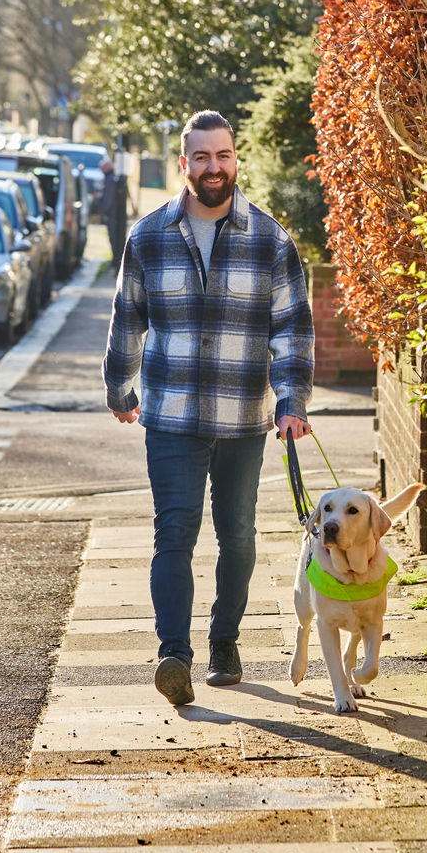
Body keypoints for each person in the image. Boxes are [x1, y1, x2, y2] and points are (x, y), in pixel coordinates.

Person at [103, 110, 314, 707]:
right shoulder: (148, 237)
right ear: (184, 164)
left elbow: (292, 331)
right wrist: (121, 390)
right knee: (174, 533)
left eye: (222, 156)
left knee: (238, 538)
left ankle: (225, 642)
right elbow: (128, 320)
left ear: (235, 160)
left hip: (244, 418)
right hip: (170, 415)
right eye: (201, 157)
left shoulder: (270, 240)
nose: (213, 167)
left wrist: (291, 402)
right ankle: (175, 653)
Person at [98, 159, 125, 266]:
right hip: (114, 214)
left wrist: (102, 211)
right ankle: (115, 260)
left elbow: (108, 200)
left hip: (112, 215)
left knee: (114, 239)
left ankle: (115, 262)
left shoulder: (109, 180)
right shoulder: (111, 178)